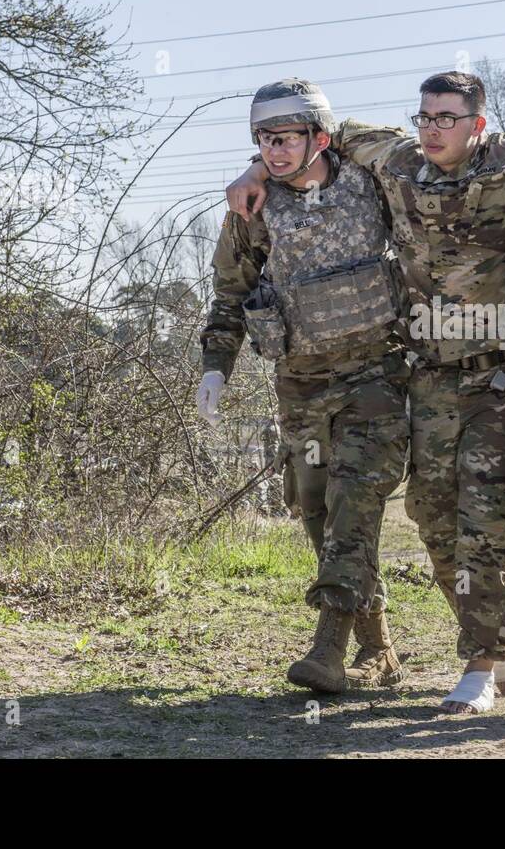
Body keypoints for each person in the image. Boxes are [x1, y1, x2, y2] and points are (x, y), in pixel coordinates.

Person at [226, 71, 505, 714]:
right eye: (424, 117)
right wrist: (256, 167)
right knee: (430, 515)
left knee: (484, 514)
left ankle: (479, 665)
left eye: (446, 119)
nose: (431, 130)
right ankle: (496, 640)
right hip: (427, 372)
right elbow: (313, 137)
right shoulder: (397, 160)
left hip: (500, 373)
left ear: (477, 124)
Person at [198, 78, 409, 693]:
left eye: (287, 137)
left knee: (354, 503)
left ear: (320, 136)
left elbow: (402, 147)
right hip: (301, 379)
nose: (274, 151)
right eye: (262, 140)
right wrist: (217, 364)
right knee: (315, 510)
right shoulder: (252, 208)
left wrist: (319, 139)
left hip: (377, 372)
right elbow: (232, 292)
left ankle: (328, 650)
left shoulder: (371, 181)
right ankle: (379, 649)